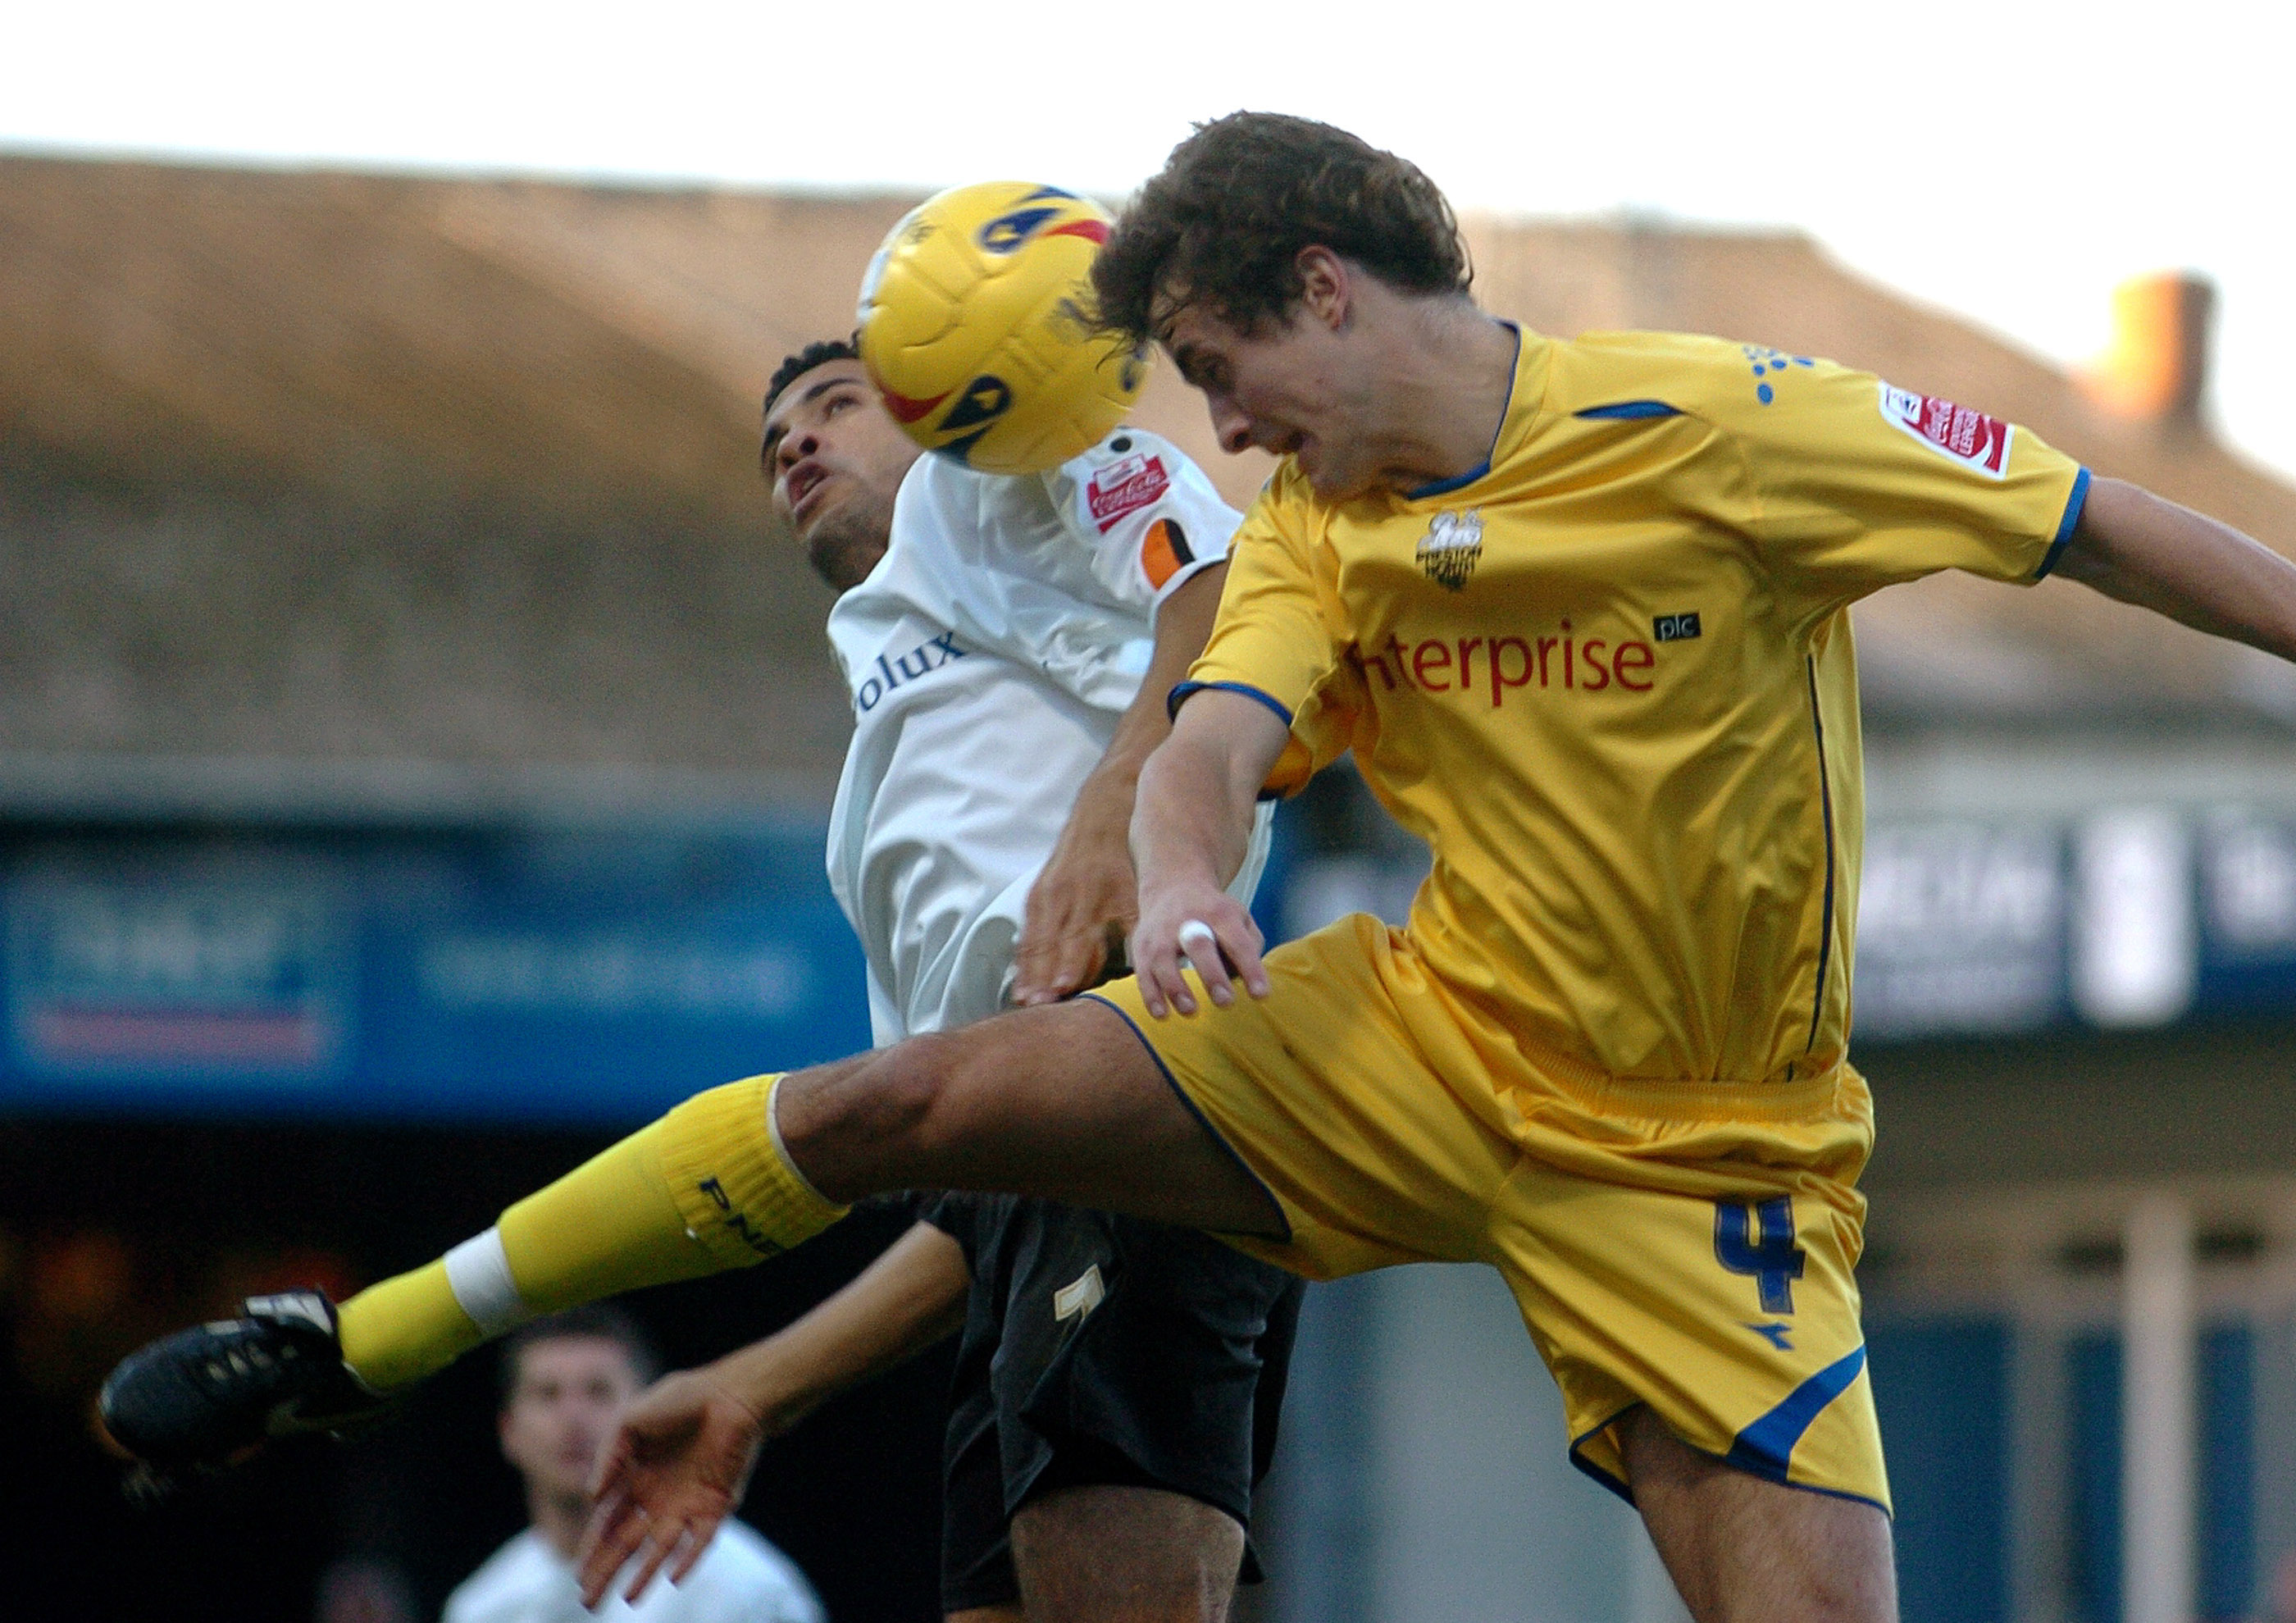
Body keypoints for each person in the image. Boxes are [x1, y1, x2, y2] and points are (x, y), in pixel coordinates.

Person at [99, 112, 2296, 1623]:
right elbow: (1210, 743)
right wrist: (1169, 879)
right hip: (1418, 1041)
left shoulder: (1727, 422)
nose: (1227, 434)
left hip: (1706, 1159)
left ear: (1323, 294)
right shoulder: (1320, 535)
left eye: (1234, 376)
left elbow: (2112, 527)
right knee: (917, 1102)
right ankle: (358, 1340)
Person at [572, 340, 1301, 1623]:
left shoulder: (1018, 479)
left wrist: (1111, 809)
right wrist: (759, 1382)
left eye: (836, 406)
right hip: (1046, 1182)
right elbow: (978, 1188)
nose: (795, 442)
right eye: (774, 440)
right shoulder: (879, 794)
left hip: (1147, 1080)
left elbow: (1231, 590)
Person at [444, 1306, 822, 1623]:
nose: (573, 1417)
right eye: (547, 1395)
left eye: (599, 1391)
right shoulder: (480, 1608)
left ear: (653, 1414)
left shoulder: (743, 1588)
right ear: (508, 1430)